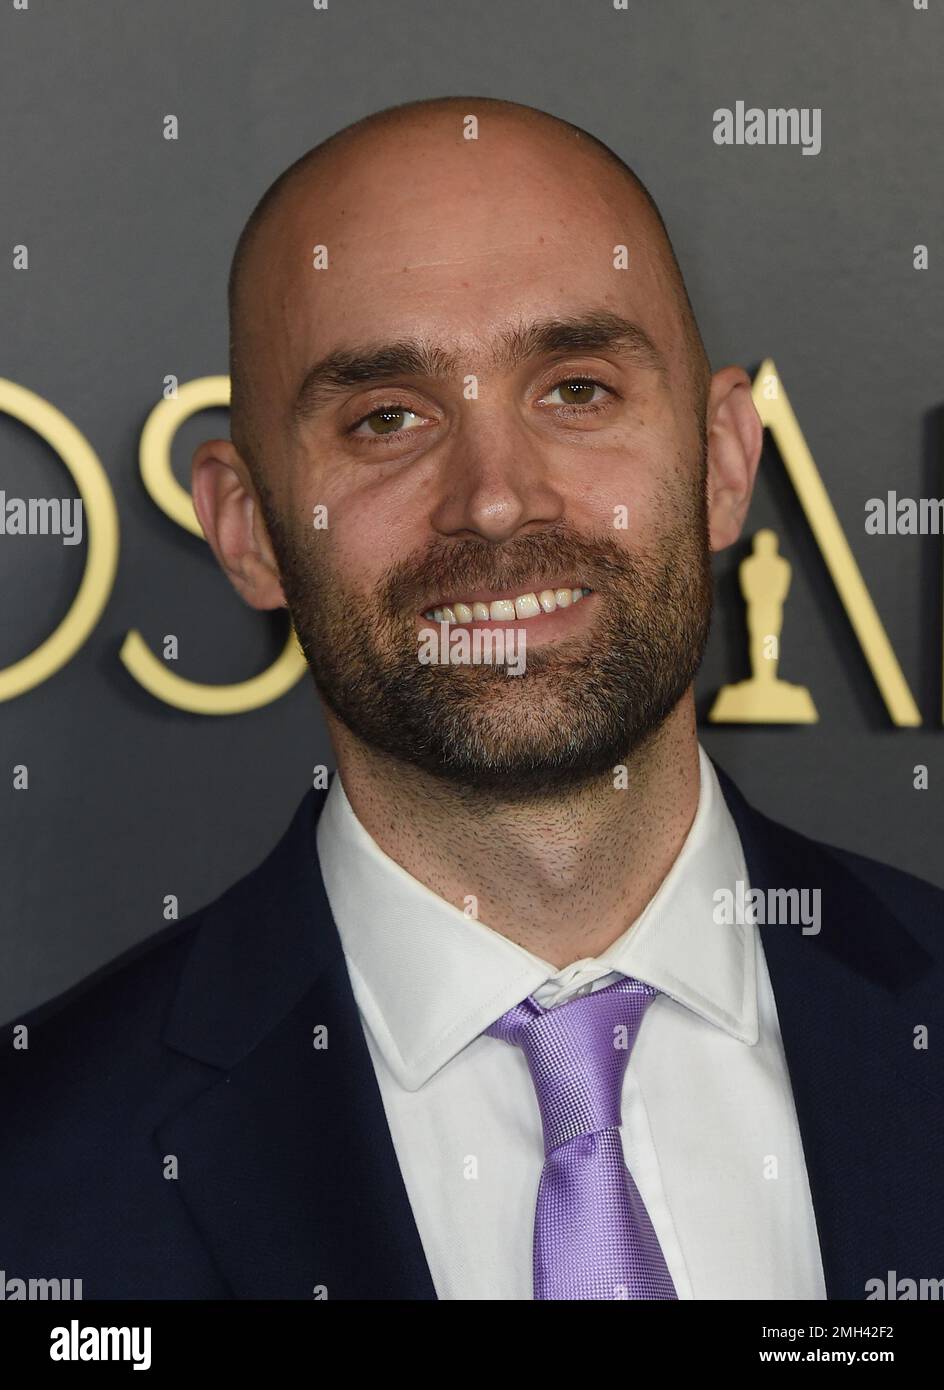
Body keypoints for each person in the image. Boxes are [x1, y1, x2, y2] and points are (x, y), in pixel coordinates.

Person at [2, 96, 941, 1301]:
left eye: (577, 390)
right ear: (248, 529)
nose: (496, 499)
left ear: (719, 462)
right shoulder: (34, 1183)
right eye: (388, 418)